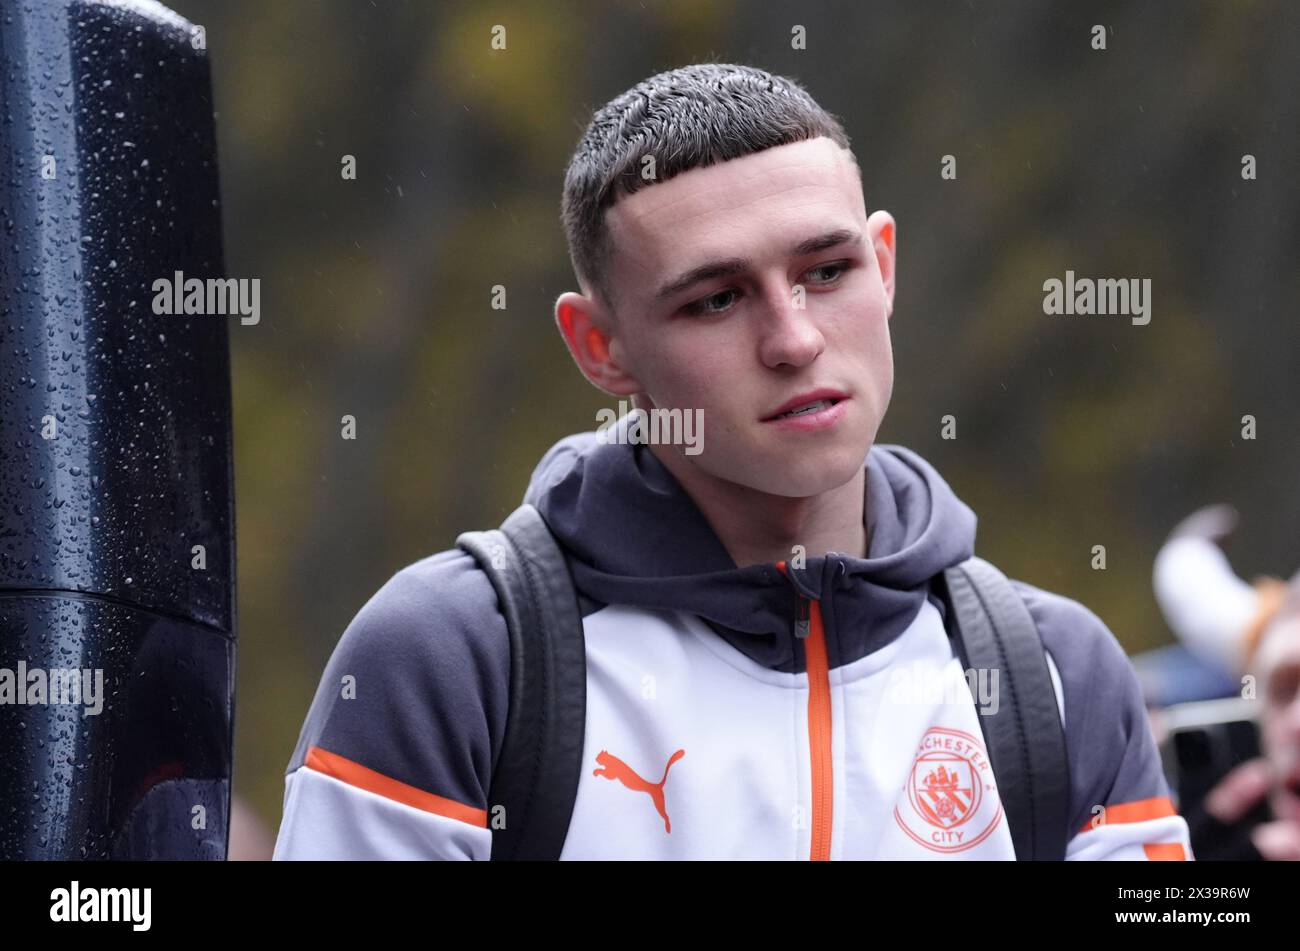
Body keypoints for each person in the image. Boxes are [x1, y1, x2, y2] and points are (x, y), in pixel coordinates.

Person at [273, 63, 1191, 860]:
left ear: (885, 265)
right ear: (601, 348)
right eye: (716, 300)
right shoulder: (451, 660)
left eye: (827, 271)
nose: (793, 340)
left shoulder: (1058, 675)